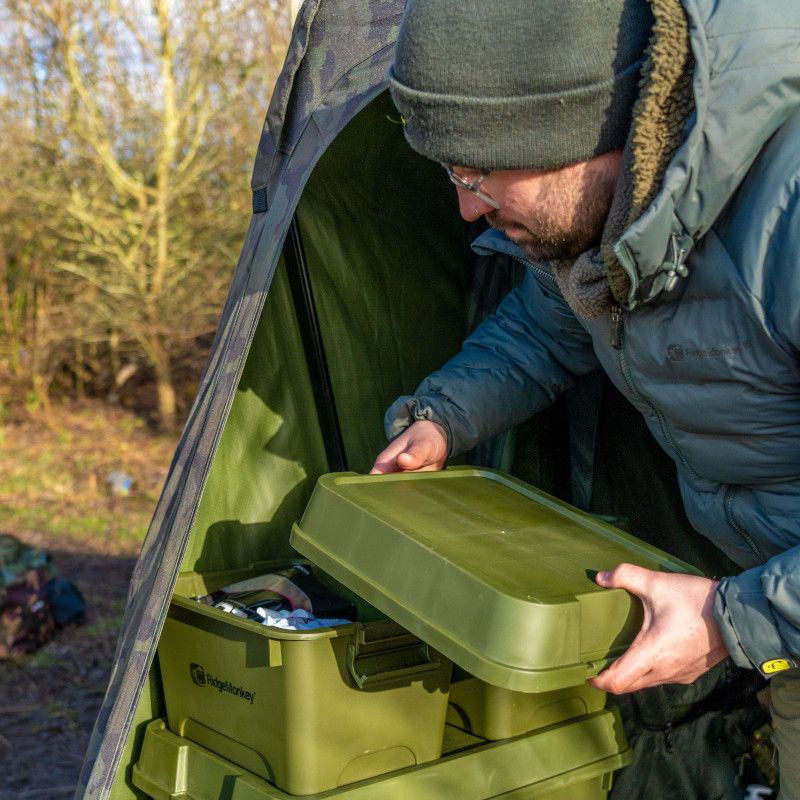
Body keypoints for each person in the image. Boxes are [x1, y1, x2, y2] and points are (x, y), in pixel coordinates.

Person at [370, 0, 800, 794]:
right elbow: (547, 325)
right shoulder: (602, 224)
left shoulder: (788, 214)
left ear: (581, 132)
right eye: (451, 177)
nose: (468, 207)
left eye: (478, 174)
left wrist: (727, 622)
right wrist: (443, 416)